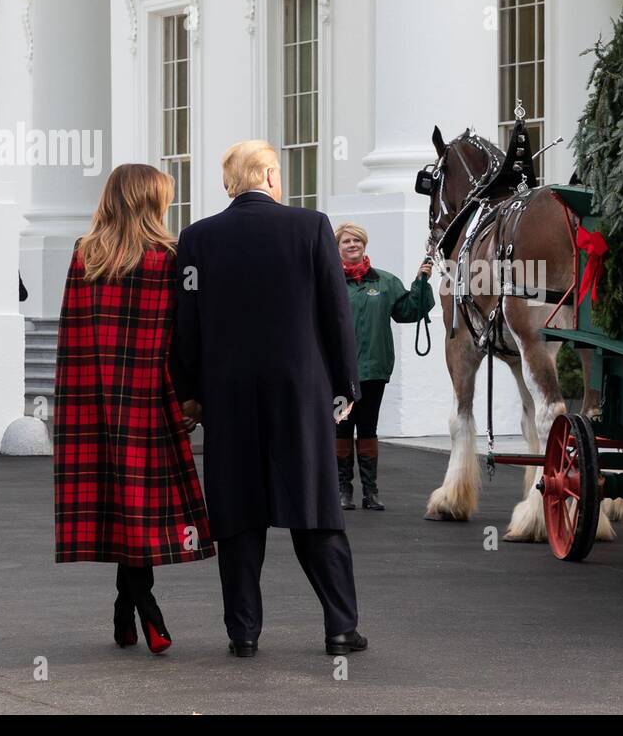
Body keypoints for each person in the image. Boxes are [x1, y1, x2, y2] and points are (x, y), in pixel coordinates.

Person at [170, 140, 366, 659]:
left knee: (237, 515)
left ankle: (244, 632)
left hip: (227, 395)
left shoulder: (196, 239)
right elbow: (335, 314)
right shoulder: (311, 227)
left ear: (231, 182)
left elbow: (184, 327)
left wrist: (188, 393)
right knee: (315, 509)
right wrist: (347, 384)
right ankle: (341, 628)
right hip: (301, 392)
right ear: (271, 177)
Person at [53, 163, 214, 656]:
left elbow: (70, 334)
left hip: (93, 401)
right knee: (140, 506)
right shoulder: (169, 257)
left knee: (123, 506)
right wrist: (192, 396)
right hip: (149, 399)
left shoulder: (85, 255)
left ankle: (127, 610)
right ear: (150, 201)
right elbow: (186, 337)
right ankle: (146, 610)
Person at [334, 223, 435, 511]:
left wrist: (420, 283)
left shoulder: (385, 282)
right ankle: (343, 491)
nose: (352, 244)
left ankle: (371, 492)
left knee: (368, 428)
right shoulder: (328, 283)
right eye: (346, 241)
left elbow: (407, 311)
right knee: (341, 429)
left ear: (364, 245)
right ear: (337, 247)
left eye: (357, 240)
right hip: (338, 372)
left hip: (374, 370)